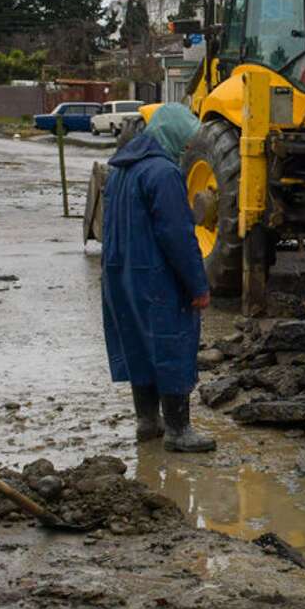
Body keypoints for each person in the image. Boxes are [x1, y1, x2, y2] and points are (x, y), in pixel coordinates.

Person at [99, 102, 214, 452]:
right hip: (156, 277)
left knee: (137, 343)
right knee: (171, 343)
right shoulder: (163, 173)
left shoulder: (121, 170)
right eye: (186, 140)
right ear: (173, 135)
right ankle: (179, 431)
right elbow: (178, 236)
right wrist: (197, 285)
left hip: (120, 276)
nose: (187, 148)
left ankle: (147, 421)